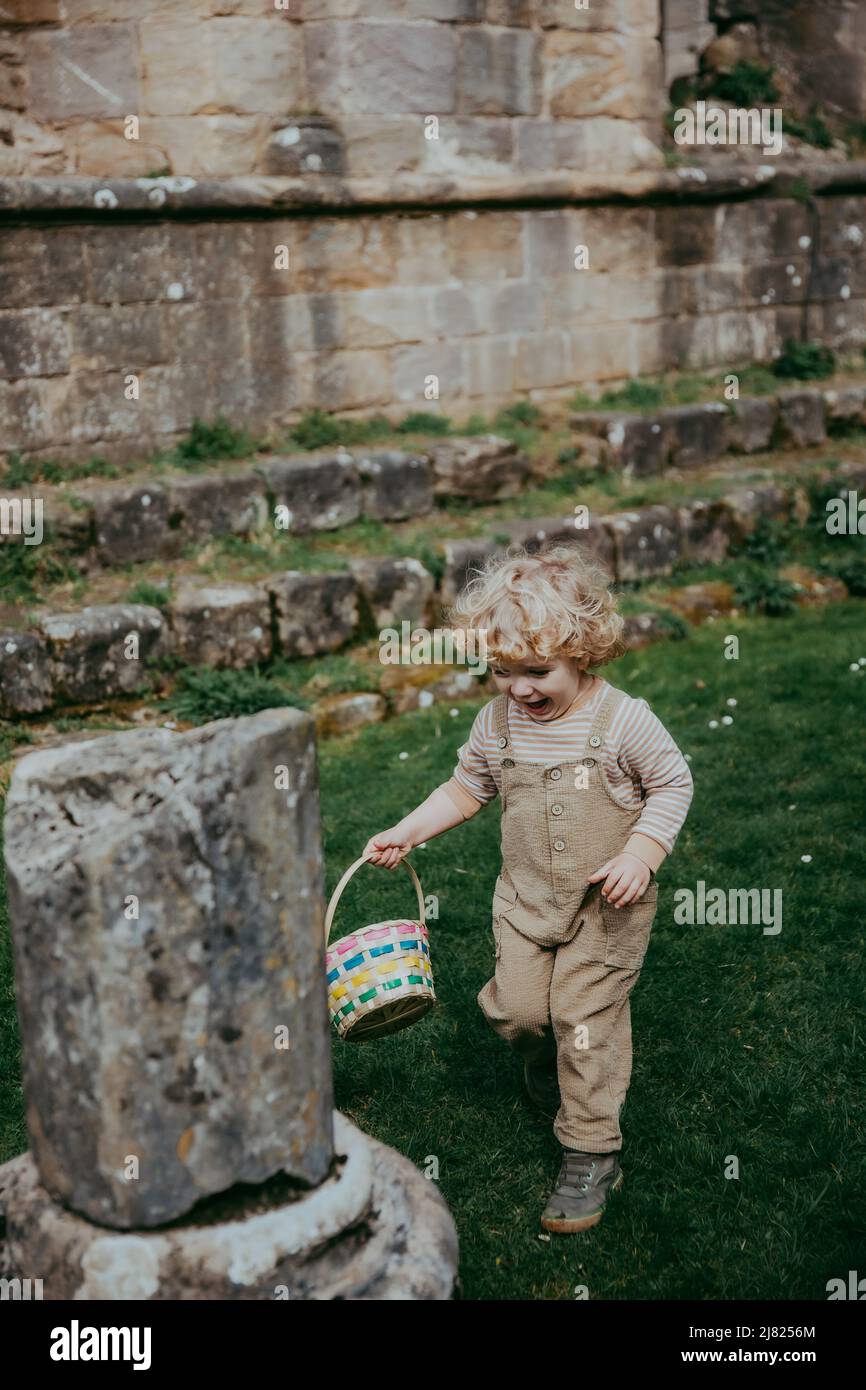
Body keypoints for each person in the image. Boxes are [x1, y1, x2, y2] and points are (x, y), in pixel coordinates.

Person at [363, 542, 694, 1234]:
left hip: (606, 911)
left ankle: (589, 1150)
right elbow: (466, 787)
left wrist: (642, 851)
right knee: (516, 1013)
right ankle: (546, 1068)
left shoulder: (622, 721)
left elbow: (673, 783)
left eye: (537, 671)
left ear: (583, 651)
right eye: (502, 671)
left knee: (584, 1021)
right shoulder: (498, 723)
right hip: (524, 904)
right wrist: (408, 830)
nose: (519, 689)